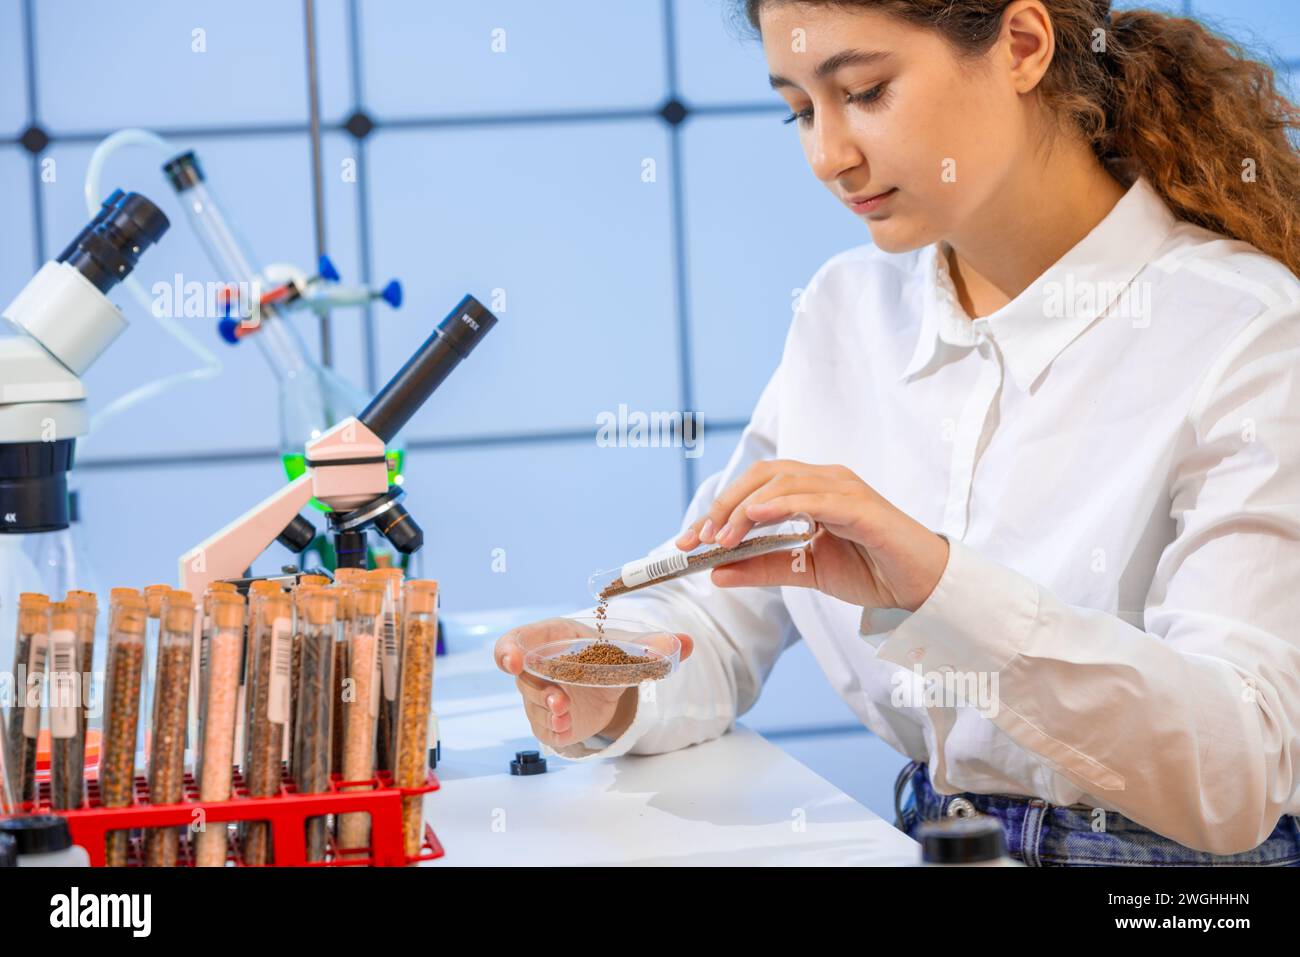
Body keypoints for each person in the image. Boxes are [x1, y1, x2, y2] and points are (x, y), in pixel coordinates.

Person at [496, 0, 1300, 865]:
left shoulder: (1244, 331)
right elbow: (723, 603)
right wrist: (615, 678)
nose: (827, 156)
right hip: (932, 838)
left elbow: (1242, 768)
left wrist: (937, 586)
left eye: (867, 91)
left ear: (1022, 46)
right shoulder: (847, 310)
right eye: (800, 109)